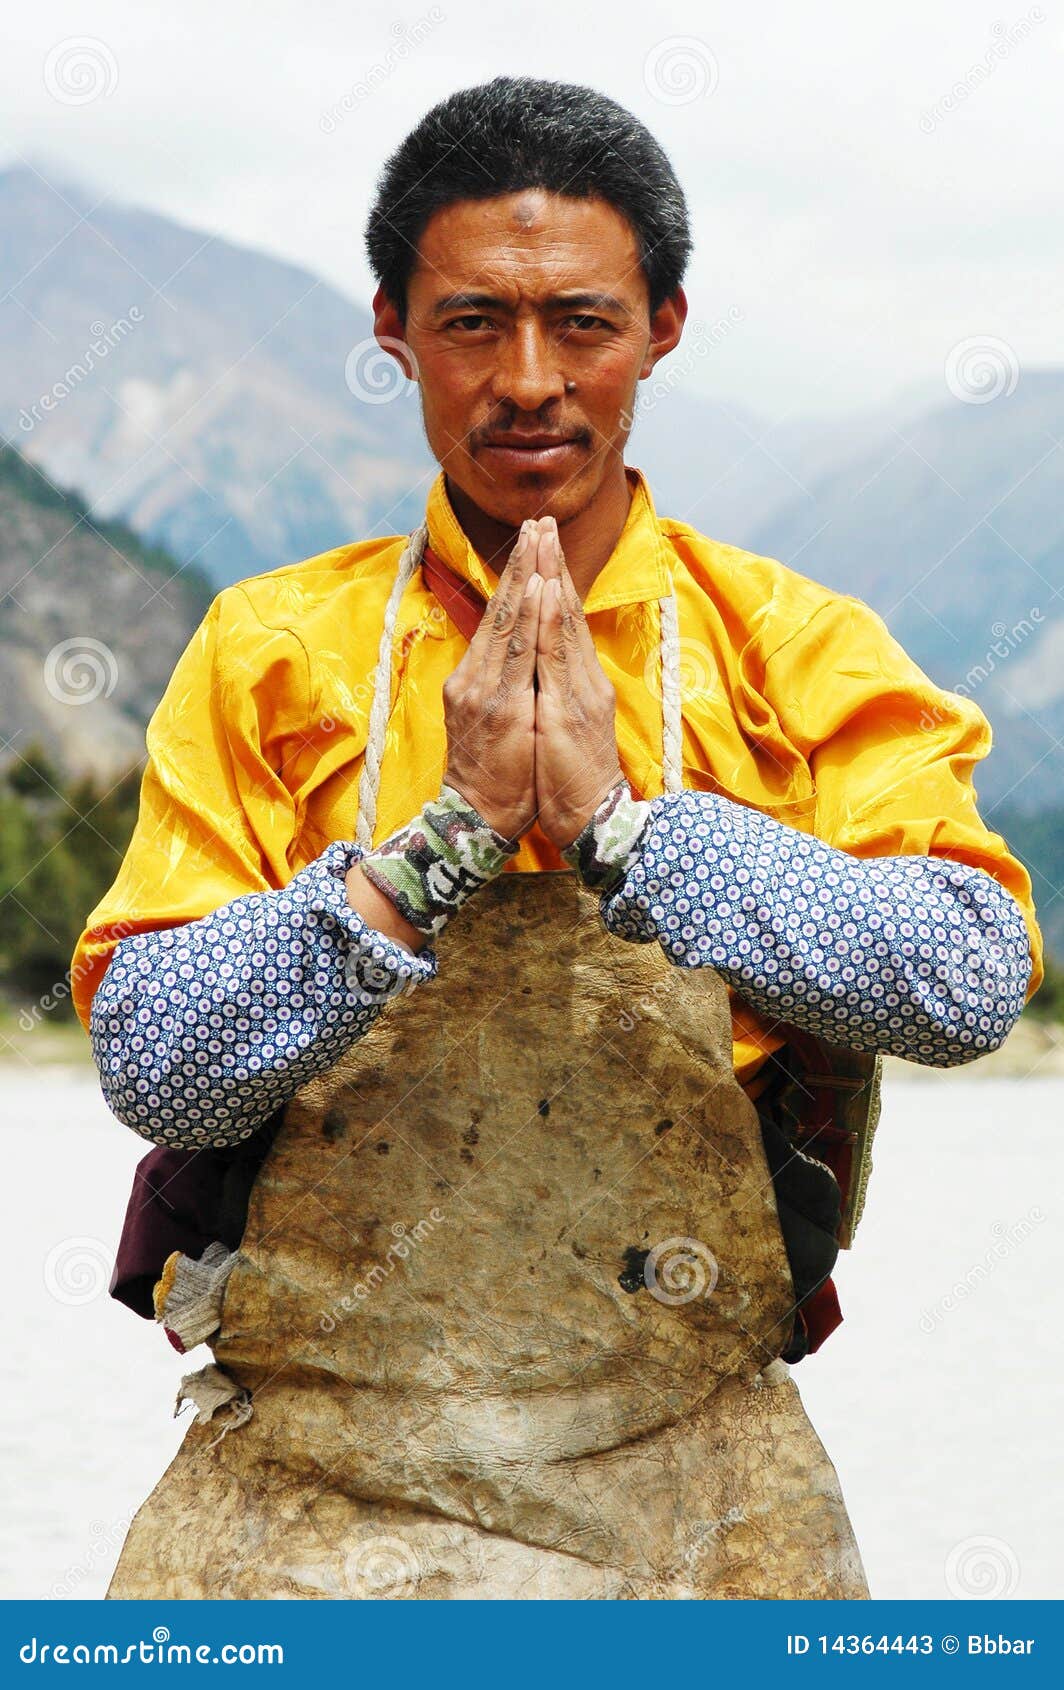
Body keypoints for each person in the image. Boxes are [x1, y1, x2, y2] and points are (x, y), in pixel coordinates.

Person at [71, 75, 1041, 1601]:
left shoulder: (791, 645)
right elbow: (150, 1054)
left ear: (663, 323)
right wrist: (438, 850)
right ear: (392, 326)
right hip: (305, 1497)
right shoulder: (271, 647)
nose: (529, 379)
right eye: (472, 324)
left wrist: (627, 831)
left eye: (583, 321)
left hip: (705, 1497)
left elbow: (973, 976)